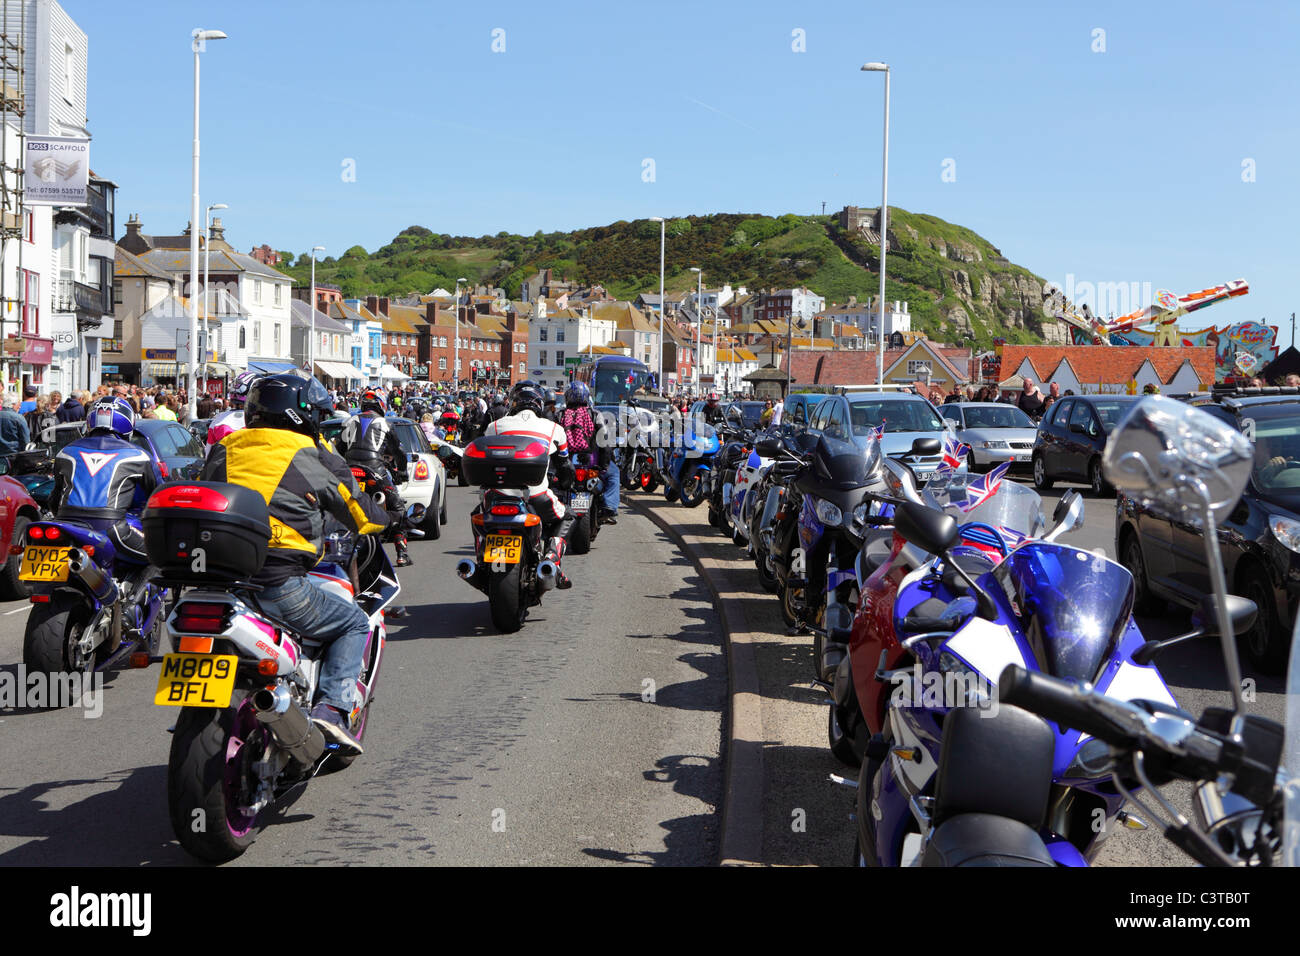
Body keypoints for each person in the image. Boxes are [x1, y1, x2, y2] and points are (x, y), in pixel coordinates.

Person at [202, 373, 394, 755]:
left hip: (218, 582)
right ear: (302, 413)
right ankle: (332, 710)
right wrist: (389, 517)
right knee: (354, 622)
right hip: (276, 581)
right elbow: (359, 513)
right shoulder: (310, 452)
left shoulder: (226, 447)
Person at [50, 397, 160, 600]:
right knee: (159, 557)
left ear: (90, 421)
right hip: (111, 529)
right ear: (127, 422)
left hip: (65, 526)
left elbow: (55, 499)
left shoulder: (66, 452)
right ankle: (130, 609)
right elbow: (159, 498)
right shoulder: (139, 456)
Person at [483, 383, 576, 588]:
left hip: (497, 494)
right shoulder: (555, 429)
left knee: (479, 518)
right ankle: (552, 558)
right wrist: (567, 483)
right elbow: (565, 465)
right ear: (540, 405)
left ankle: (482, 554)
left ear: (514, 403)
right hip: (535, 494)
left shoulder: (496, 426)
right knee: (568, 515)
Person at [336, 389, 412, 566]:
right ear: (381, 404)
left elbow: (339, 450)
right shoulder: (385, 423)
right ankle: (401, 554)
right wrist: (402, 472)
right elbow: (399, 452)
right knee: (398, 507)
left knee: (334, 504)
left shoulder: (348, 421)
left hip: (349, 470)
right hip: (375, 470)